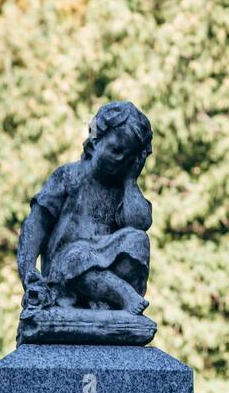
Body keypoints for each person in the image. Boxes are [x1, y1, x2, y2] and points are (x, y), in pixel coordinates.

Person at [17, 101, 153, 316]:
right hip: (64, 271)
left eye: (128, 158)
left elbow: (140, 223)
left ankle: (109, 300)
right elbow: (37, 223)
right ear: (97, 139)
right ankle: (123, 295)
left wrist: (130, 181)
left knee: (138, 241)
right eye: (116, 150)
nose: (120, 160)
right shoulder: (69, 176)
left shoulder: (123, 191)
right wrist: (27, 270)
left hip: (104, 262)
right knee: (77, 257)